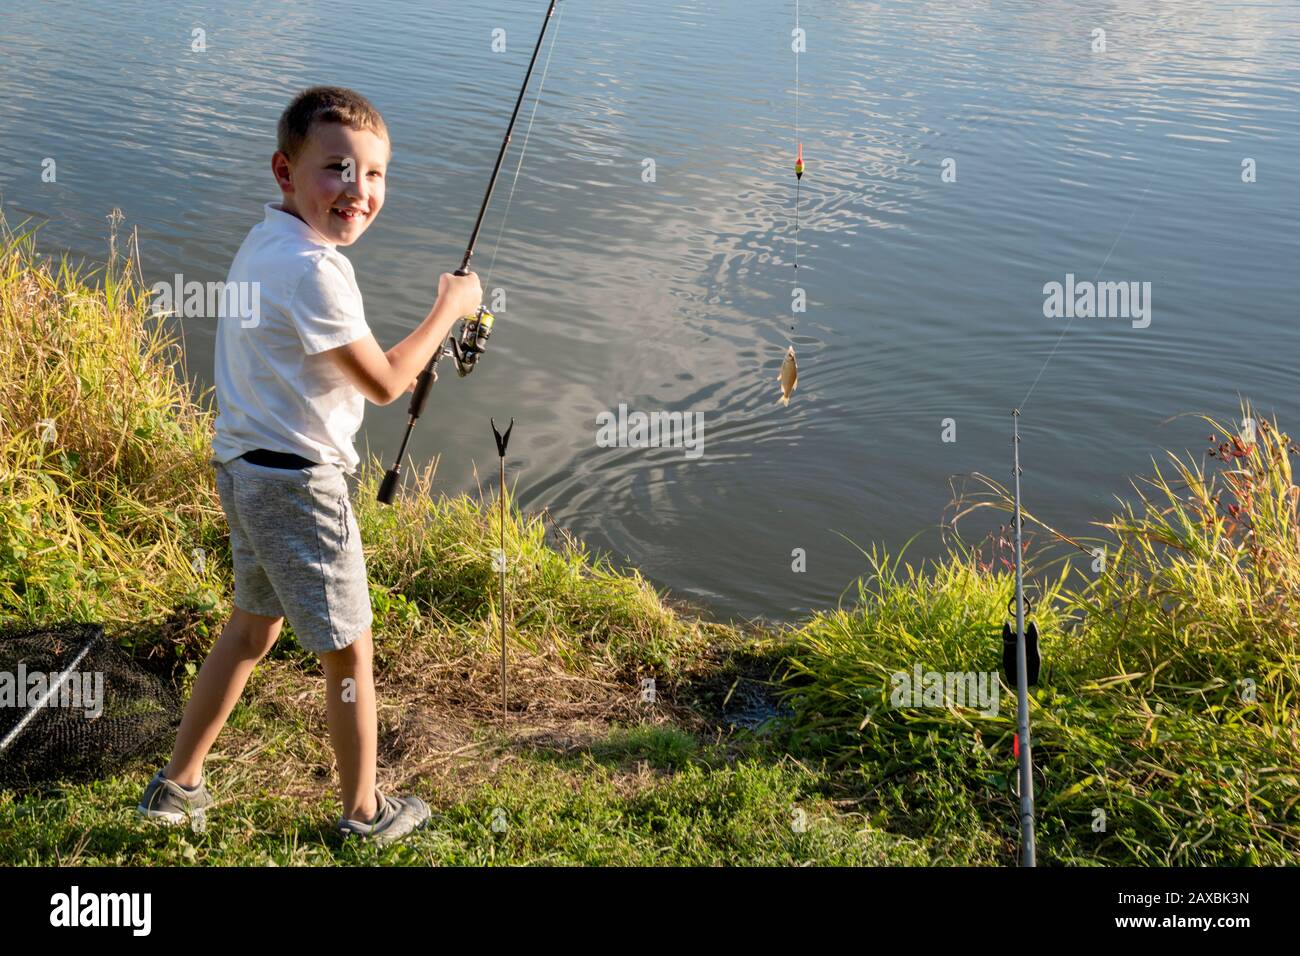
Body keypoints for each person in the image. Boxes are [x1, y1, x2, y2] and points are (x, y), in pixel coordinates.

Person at [137, 85, 482, 845]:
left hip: (246, 469)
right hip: (298, 483)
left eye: (374, 174)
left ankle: (178, 785)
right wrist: (449, 310)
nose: (358, 191)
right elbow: (389, 383)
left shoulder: (269, 242)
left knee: (252, 628)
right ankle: (364, 815)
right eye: (336, 169)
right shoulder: (316, 271)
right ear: (284, 171)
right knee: (349, 648)